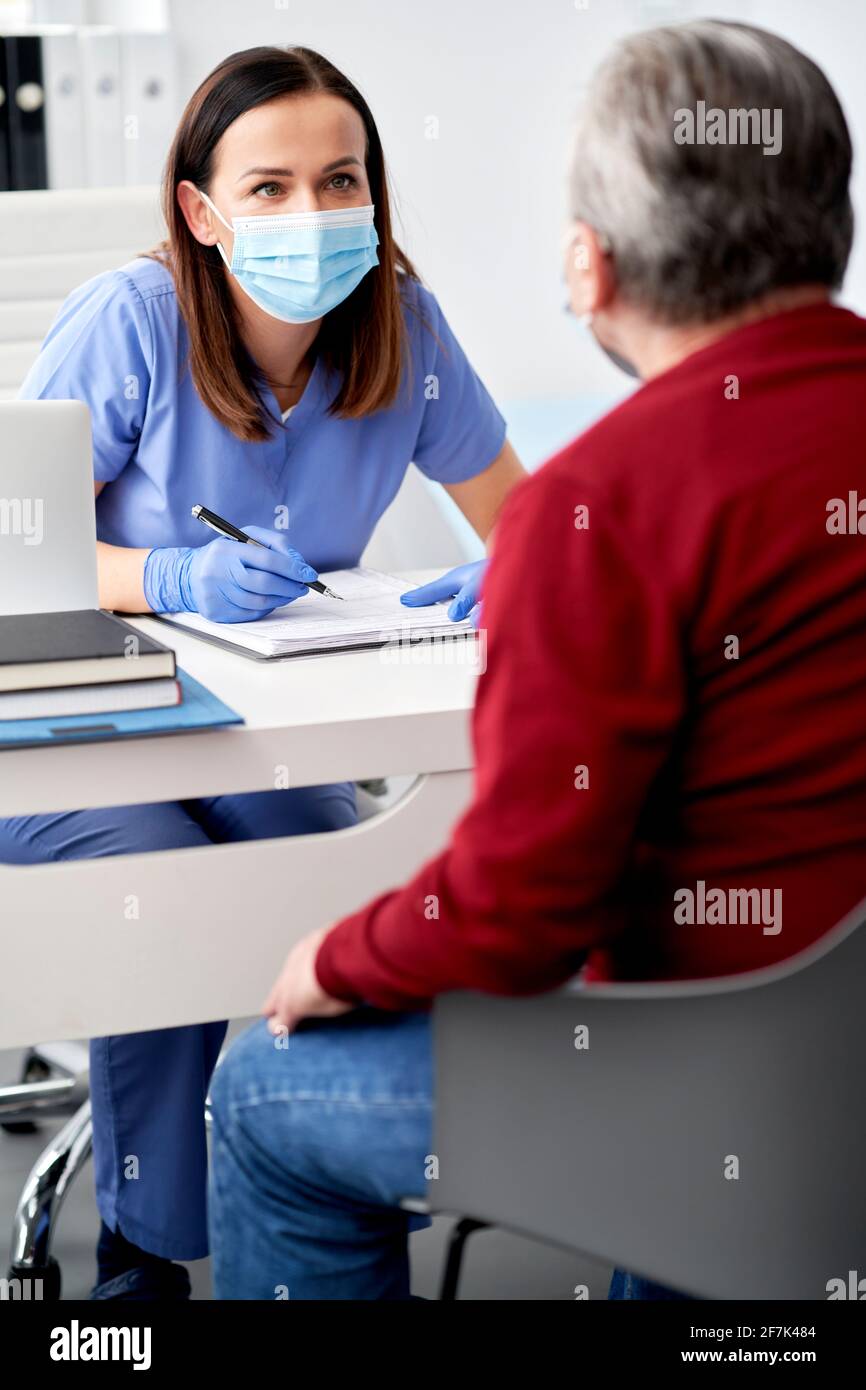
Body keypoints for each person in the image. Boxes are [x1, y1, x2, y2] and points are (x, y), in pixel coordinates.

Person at [207, 20, 866, 1300]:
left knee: (263, 1092)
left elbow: (514, 916)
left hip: (723, 1094)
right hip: (817, 1070)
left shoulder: (603, 503)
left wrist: (338, 956)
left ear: (590, 263)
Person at [0, 45, 525, 1300]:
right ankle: (141, 1258)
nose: (314, 213)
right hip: (84, 735)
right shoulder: (133, 320)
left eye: (340, 180)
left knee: (326, 875)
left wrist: (526, 568)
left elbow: (525, 511)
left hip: (268, 717)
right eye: (272, 186)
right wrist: (167, 577)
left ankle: (321, 1204)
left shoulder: (400, 324)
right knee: (160, 884)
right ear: (200, 208)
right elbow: (15, 550)